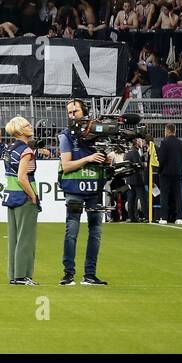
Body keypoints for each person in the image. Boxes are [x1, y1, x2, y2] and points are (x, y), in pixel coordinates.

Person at [58, 99, 109, 285]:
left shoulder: (96, 134)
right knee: (72, 232)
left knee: (95, 233)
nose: (72, 115)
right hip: (74, 190)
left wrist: (106, 160)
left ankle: (90, 274)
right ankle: (68, 274)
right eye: (69, 112)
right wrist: (89, 158)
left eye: (75, 111)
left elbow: (103, 159)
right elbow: (66, 165)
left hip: (94, 188)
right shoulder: (65, 136)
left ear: (84, 112)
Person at [3, 116, 40, 285]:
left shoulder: (9, 148)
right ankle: (22, 275)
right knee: (26, 238)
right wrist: (33, 196)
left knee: (14, 238)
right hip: (24, 197)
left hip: (11, 196)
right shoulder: (26, 150)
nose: (30, 126)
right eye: (27, 125)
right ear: (19, 130)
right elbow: (22, 177)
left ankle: (14, 274)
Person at [156, 123, 182, 224]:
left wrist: (160, 170)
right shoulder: (181, 143)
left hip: (166, 173)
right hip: (177, 172)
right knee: (178, 195)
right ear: (174, 131)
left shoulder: (164, 143)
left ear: (168, 131)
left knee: (164, 195)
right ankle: (179, 218)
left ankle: (164, 217)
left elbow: (161, 159)